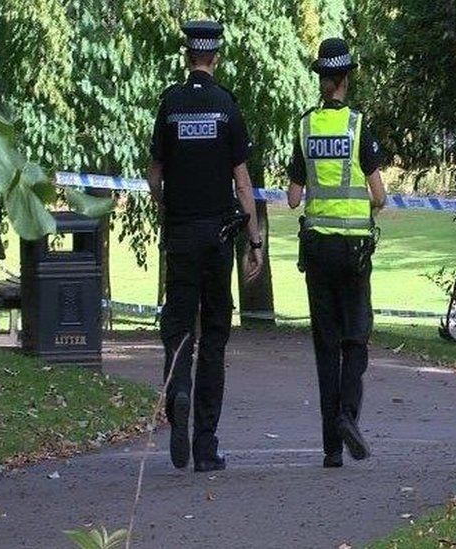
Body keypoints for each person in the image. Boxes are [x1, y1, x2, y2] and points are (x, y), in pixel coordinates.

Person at [147, 20, 264, 472]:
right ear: (215, 57)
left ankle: (178, 392)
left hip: (181, 235)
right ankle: (205, 445)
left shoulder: (170, 105)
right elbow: (243, 183)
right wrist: (254, 240)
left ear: (187, 55)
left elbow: (154, 173)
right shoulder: (226, 106)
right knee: (214, 337)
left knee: (178, 329)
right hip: (218, 239)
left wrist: (165, 207)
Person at [286, 38, 387, 468]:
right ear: (345, 79)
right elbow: (379, 196)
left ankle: (331, 449)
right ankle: (348, 414)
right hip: (353, 250)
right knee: (356, 337)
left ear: (322, 80)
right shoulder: (357, 127)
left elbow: (293, 197)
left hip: (317, 249)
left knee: (325, 345)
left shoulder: (305, 127)